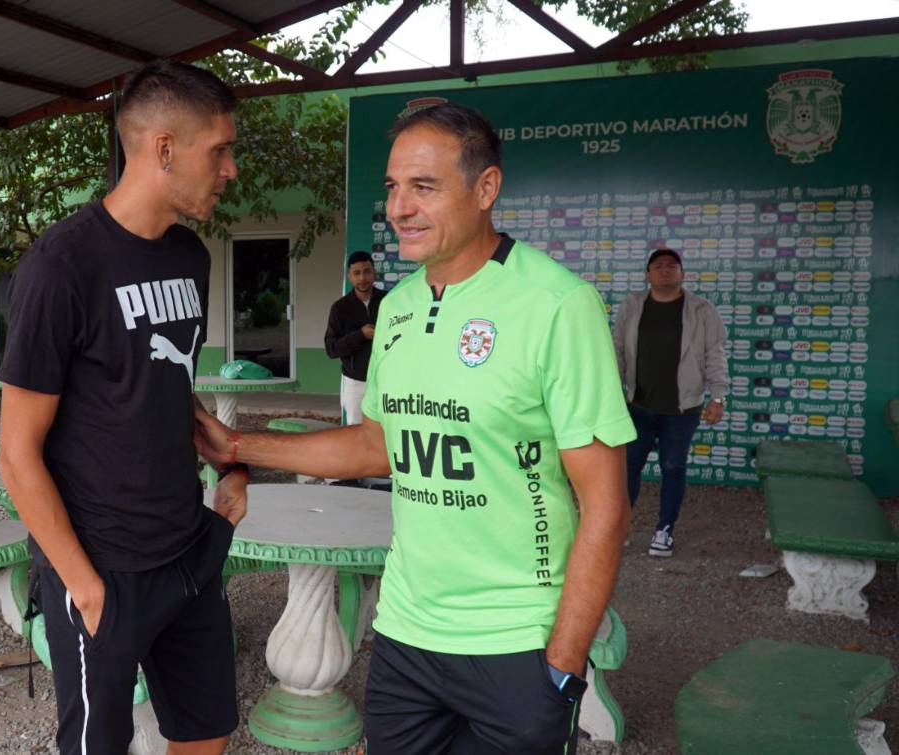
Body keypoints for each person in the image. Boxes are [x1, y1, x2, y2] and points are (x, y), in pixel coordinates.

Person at [195, 103, 634, 755]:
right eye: (394, 186)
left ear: (486, 189)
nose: (400, 206)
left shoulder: (557, 305)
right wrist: (237, 445)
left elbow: (607, 505)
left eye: (423, 187)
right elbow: (377, 443)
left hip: (516, 640)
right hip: (405, 636)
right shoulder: (397, 308)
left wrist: (563, 664)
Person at [0, 60, 246, 755]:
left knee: (207, 730)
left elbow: (158, 376)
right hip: (101, 564)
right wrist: (83, 586)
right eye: (219, 150)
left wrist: (229, 455)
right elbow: (16, 452)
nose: (230, 170)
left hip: (186, 549)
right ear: (165, 148)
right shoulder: (62, 266)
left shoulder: (191, 257)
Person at [612, 248, 729, 557]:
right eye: (658, 266)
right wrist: (612, 392)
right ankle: (620, 527)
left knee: (673, 467)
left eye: (671, 266)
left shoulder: (702, 310)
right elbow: (618, 352)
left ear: (682, 274)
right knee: (628, 468)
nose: (665, 270)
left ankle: (664, 529)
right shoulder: (632, 306)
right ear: (647, 275)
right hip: (638, 406)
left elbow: (714, 355)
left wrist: (718, 395)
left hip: (682, 409)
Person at [324, 250, 386, 425]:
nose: (362, 278)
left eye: (367, 271)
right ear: (349, 276)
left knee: (386, 432)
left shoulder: (389, 301)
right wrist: (360, 335)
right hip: (355, 382)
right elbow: (331, 349)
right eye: (357, 273)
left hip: (386, 380)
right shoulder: (340, 308)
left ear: (374, 273)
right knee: (355, 431)